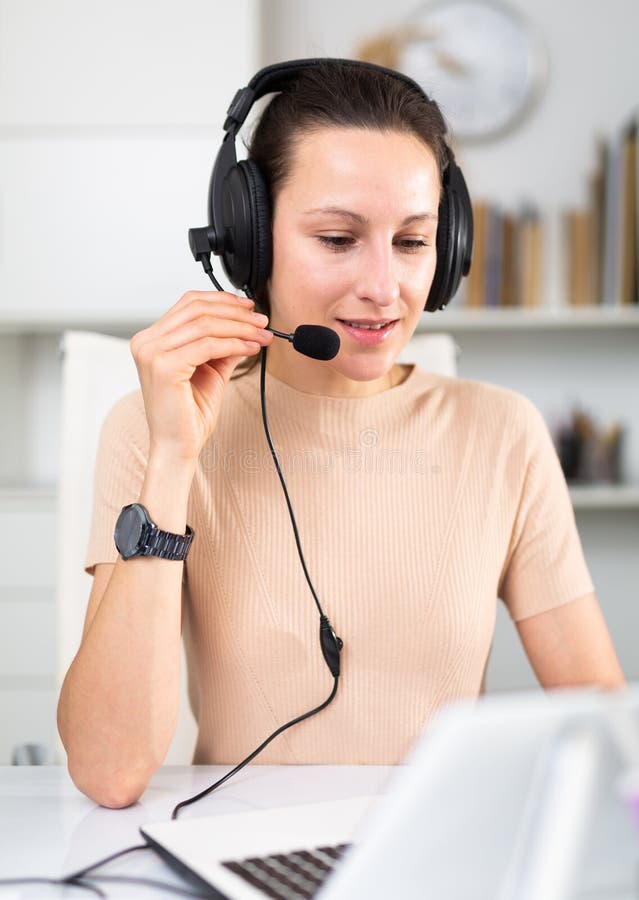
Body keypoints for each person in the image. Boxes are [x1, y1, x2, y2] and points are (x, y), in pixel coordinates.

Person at [57, 58, 625, 810]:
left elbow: (606, 731)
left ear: (448, 249)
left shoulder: (501, 433)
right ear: (249, 241)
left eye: (412, 241)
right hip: (236, 850)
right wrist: (171, 462)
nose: (383, 288)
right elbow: (109, 772)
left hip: (432, 855)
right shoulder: (153, 429)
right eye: (336, 238)